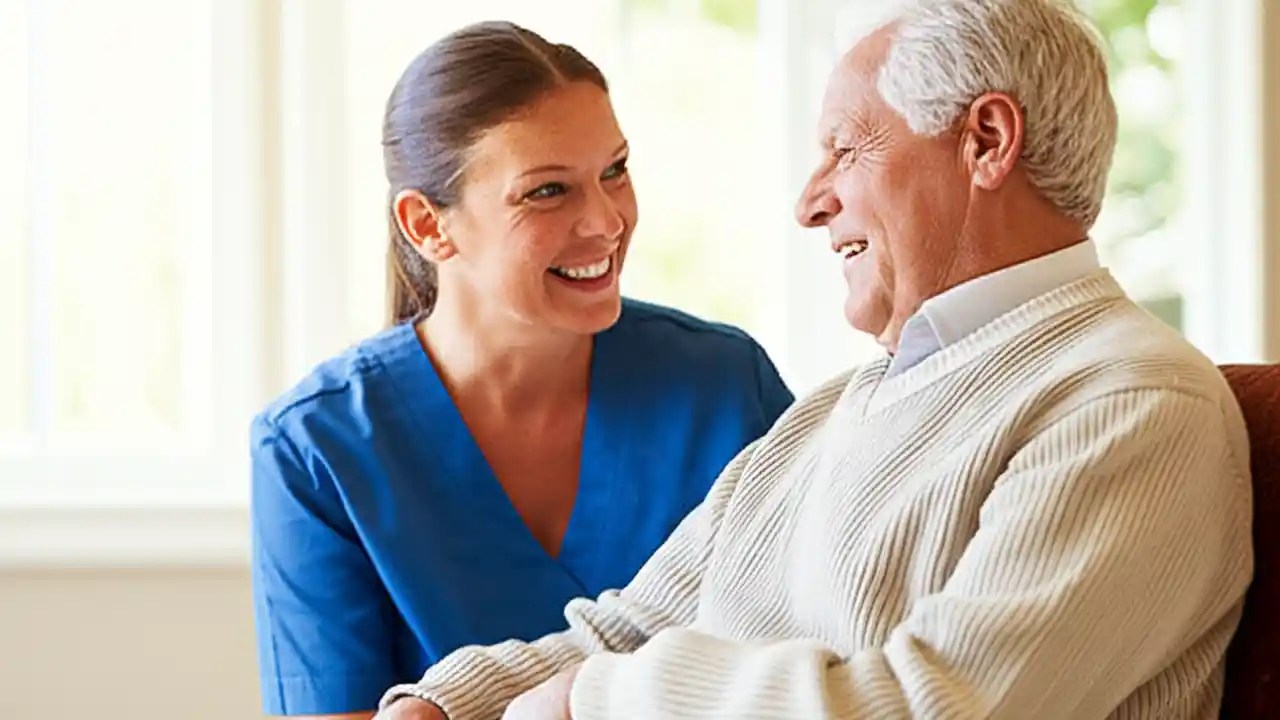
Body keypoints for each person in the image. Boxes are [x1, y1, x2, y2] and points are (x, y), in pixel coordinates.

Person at [375, 2, 1254, 719]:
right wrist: (445, 707)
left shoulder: (1134, 401)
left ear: (986, 140)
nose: (810, 201)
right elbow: (632, 628)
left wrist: (596, 701)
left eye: (846, 147)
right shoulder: (831, 409)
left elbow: (932, 707)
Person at [249, 21, 793, 718]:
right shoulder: (315, 449)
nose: (605, 221)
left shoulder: (727, 388)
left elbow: (815, 652)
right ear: (426, 225)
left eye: (615, 172)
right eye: (547, 192)